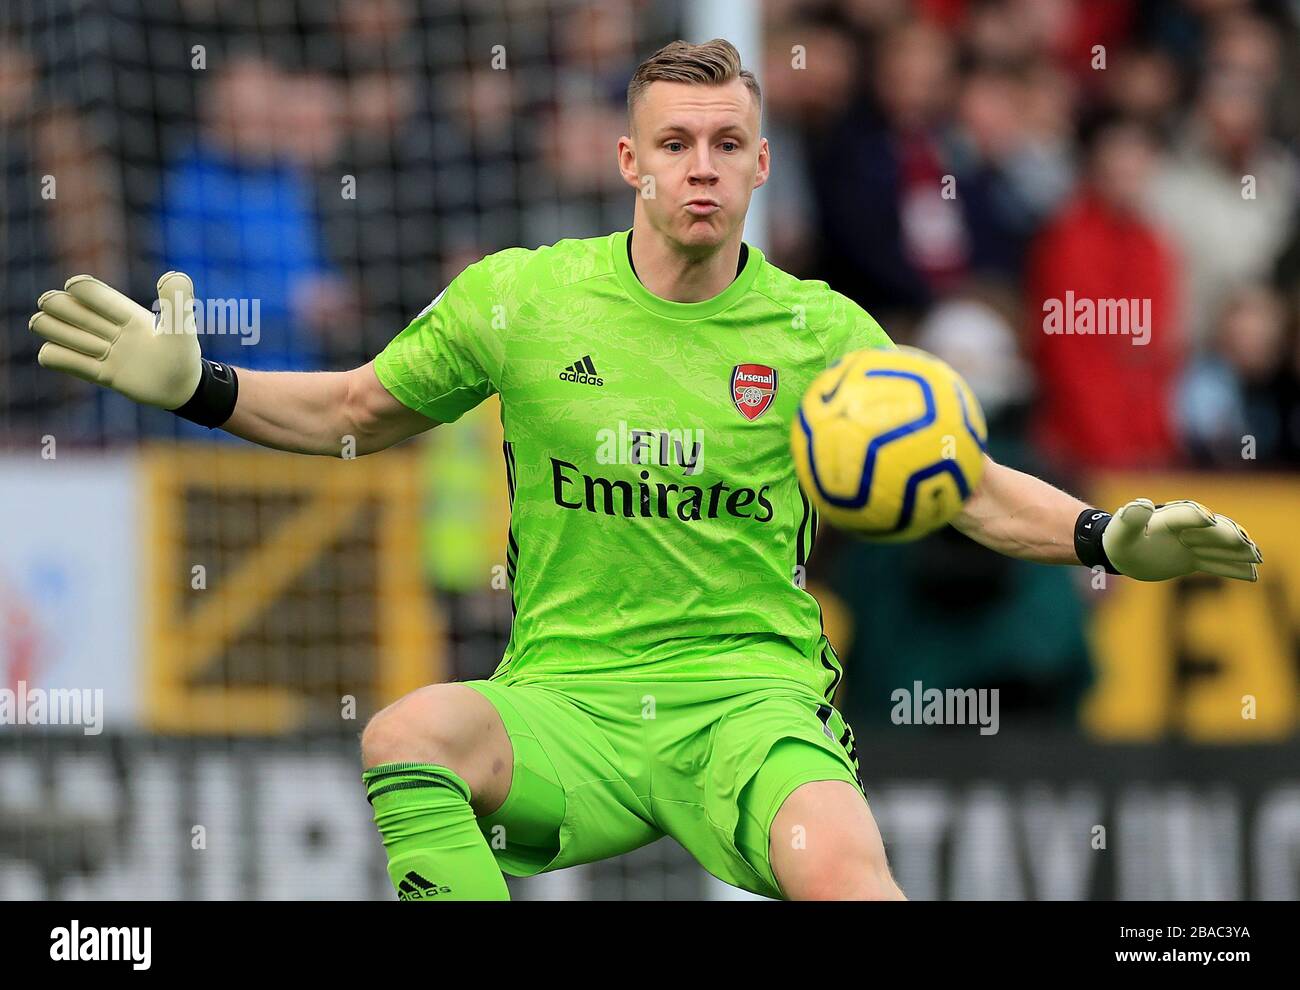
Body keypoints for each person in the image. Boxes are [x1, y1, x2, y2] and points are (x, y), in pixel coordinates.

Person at [26, 39, 1261, 901]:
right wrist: (199, 385)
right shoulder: (521, 299)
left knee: (850, 875)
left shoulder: (821, 332)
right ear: (631, 162)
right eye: (675, 143)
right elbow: (353, 409)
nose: (702, 166)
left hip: (749, 705)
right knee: (408, 735)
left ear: (762, 167)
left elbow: (969, 486)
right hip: (570, 698)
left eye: (728, 143)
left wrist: (1104, 534)